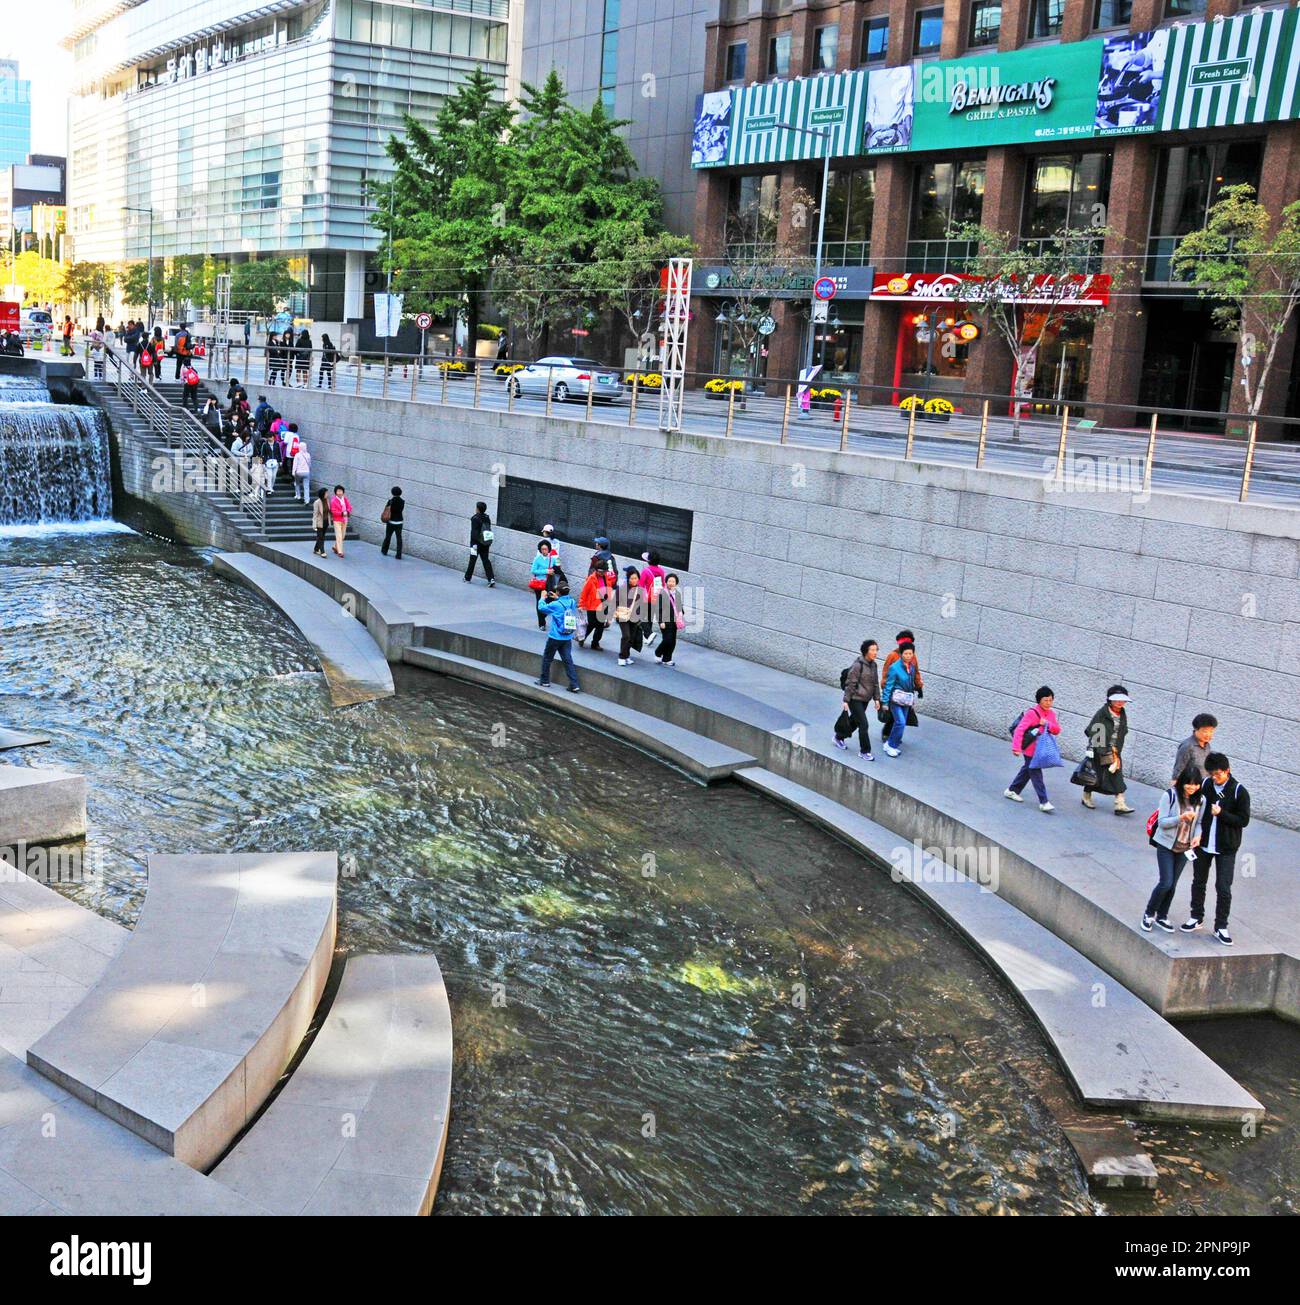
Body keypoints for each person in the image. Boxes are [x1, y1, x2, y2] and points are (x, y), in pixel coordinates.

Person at [1182, 753, 1250, 945]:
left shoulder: (1238, 791)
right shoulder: (1206, 785)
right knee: (1198, 881)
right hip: (1203, 843)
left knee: (1223, 887)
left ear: (1227, 771)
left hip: (1226, 847)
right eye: (1211, 774)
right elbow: (1196, 807)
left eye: (1218, 774)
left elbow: (1243, 820)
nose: (1214, 777)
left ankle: (1221, 926)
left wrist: (1222, 814)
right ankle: (1196, 917)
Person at [1144, 767, 1204, 933]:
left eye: (1195, 785)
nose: (1191, 788)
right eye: (1188, 784)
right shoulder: (1170, 796)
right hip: (1166, 844)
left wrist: (1197, 837)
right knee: (1166, 882)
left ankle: (1162, 916)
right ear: (1182, 782)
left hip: (1184, 847)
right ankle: (1149, 914)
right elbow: (1162, 822)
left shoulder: (1200, 800)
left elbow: (1199, 824)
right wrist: (1181, 818)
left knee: (1173, 885)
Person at [1004, 687, 1062, 812]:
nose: (1048, 703)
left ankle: (1012, 790)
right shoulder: (1032, 713)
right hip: (1030, 749)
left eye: (1051, 700)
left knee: (1027, 770)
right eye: (1045, 700)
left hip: (1041, 749)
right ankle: (1044, 801)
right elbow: (1020, 730)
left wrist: (1047, 723)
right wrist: (1016, 748)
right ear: (1039, 701)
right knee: (1036, 773)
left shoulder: (1051, 714)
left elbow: (1057, 730)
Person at [1082, 686, 1135, 814]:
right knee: (1098, 775)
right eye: (1117, 700)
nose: (1120, 703)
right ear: (1110, 700)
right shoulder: (1103, 713)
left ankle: (1119, 803)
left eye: (1122, 700)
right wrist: (1096, 748)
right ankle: (1088, 797)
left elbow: (1123, 730)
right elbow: (1092, 730)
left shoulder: (1122, 713)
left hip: (1115, 750)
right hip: (1101, 750)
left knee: (1114, 775)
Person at [836, 639, 881, 760]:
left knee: (855, 722)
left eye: (876, 650)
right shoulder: (858, 665)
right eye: (872, 650)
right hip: (855, 699)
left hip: (865, 699)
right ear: (866, 651)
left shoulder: (874, 665)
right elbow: (850, 683)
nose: (875, 652)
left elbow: (875, 683)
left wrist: (877, 699)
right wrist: (846, 700)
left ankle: (839, 737)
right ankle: (865, 751)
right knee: (864, 724)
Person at [535, 580, 581, 693]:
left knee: (547, 658)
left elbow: (542, 608)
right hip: (567, 637)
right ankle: (574, 684)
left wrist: (542, 597)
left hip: (555, 637)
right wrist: (557, 597)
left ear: (558, 592)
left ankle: (544, 680)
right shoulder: (572, 602)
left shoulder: (555, 605)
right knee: (568, 660)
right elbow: (564, 604)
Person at [882, 644, 919, 757]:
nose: (908, 656)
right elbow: (888, 685)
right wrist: (885, 702)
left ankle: (889, 744)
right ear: (901, 654)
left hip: (906, 700)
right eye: (906, 653)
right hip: (896, 700)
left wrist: (912, 700)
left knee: (901, 724)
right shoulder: (894, 667)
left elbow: (911, 685)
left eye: (910, 654)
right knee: (900, 722)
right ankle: (891, 746)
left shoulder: (911, 667)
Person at [1172, 713, 1218, 786]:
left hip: (1202, 787)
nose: (1208, 734)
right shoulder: (1187, 746)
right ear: (1196, 729)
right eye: (1205, 731)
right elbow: (1178, 769)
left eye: (1211, 731)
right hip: (1189, 787)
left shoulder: (1207, 745)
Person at [578, 560, 613, 650]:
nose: (602, 573)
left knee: (600, 626)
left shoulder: (607, 578)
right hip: (592, 605)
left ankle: (595, 643)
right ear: (596, 570)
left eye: (604, 571)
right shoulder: (591, 578)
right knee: (591, 623)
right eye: (600, 571)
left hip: (603, 604)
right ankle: (582, 637)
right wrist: (581, 604)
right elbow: (584, 592)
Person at [615, 567, 645, 666]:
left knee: (631, 638)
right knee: (626, 636)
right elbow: (615, 602)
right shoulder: (622, 588)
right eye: (632, 578)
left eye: (636, 578)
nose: (634, 580)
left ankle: (626, 655)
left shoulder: (640, 590)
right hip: (623, 615)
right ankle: (621, 657)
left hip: (634, 616)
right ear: (628, 579)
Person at [654, 572, 685, 667]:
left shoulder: (677, 594)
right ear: (666, 582)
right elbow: (658, 609)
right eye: (669, 581)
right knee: (667, 639)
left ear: (676, 583)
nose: (671, 583)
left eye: (673, 581)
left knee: (673, 641)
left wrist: (681, 614)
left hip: (674, 621)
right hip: (665, 621)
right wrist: (661, 621)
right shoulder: (662, 593)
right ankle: (658, 652)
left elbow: (679, 607)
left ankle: (667, 659)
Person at [639, 550, 667, 646]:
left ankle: (649, 634)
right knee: (649, 617)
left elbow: (641, 586)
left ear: (649, 561)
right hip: (656, 597)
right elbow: (663, 585)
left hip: (646, 598)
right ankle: (647, 638)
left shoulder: (646, 571)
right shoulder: (661, 571)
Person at [465, 501, 495, 585]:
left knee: (472, 560)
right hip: (485, 543)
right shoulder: (487, 517)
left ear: (478, 509)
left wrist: (474, 544)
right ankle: (491, 578)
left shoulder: (475, 518)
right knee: (486, 560)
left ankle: (467, 578)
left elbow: (474, 533)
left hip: (476, 544)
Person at [529, 541, 555, 627]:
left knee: (550, 599)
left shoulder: (552, 559)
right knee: (540, 601)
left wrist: (554, 571)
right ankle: (541, 623)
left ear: (549, 549)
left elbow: (557, 569)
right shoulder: (537, 559)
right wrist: (546, 571)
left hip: (549, 583)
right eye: (542, 549)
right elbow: (533, 570)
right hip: (539, 584)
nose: (544, 551)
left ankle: (543, 615)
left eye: (546, 549)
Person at [381, 486, 404, 559]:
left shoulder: (390, 501)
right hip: (399, 522)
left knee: (388, 536)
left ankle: (384, 551)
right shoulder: (402, 501)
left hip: (391, 522)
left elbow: (386, 510)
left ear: (392, 492)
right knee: (399, 538)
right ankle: (398, 555)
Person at [329, 485, 352, 557]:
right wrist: (342, 513)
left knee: (343, 536)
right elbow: (333, 511)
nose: (339, 492)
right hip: (337, 520)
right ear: (335, 492)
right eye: (338, 491)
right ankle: (340, 551)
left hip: (345, 520)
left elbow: (349, 507)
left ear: (343, 492)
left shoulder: (345, 499)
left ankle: (335, 547)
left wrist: (347, 512)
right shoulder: (333, 500)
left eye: (341, 491)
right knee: (339, 535)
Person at [292, 438, 312, 504]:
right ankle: (307, 500)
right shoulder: (308, 455)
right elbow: (309, 464)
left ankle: (298, 495)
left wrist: (293, 472)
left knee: (297, 483)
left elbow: (295, 464)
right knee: (306, 487)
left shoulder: (297, 455)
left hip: (299, 472)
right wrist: (309, 470)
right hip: (306, 472)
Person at [311, 487, 330, 557]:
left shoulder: (327, 500)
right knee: (321, 537)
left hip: (326, 522)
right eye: (326, 493)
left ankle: (316, 549)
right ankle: (322, 552)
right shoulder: (317, 502)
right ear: (323, 494)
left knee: (321, 537)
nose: (327, 494)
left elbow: (328, 511)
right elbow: (315, 514)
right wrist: (314, 525)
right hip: (319, 523)